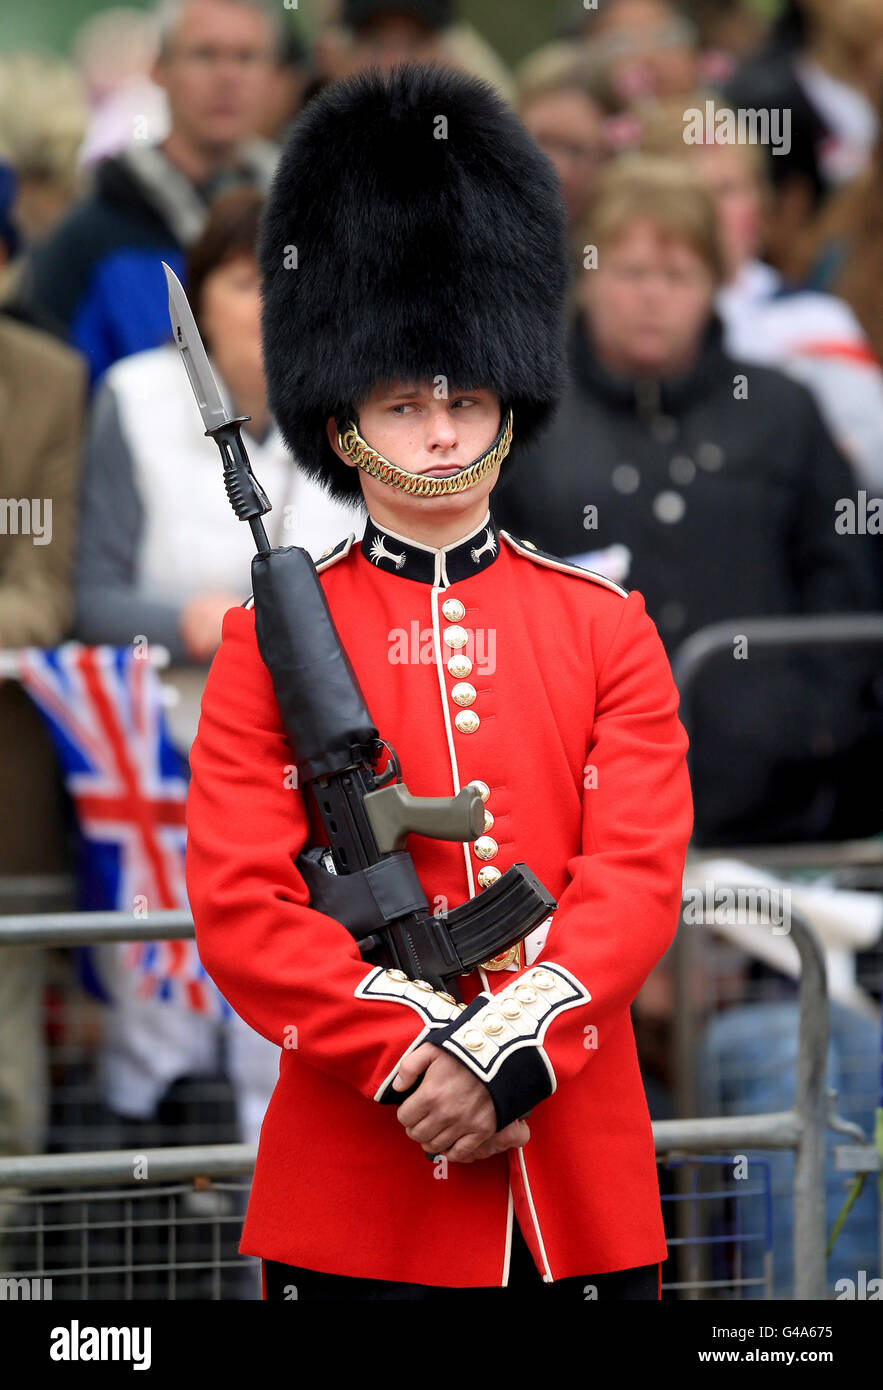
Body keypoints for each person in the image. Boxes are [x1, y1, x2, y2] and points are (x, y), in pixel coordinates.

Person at [185, 64, 693, 1298]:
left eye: (465, 397)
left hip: (572, 1183)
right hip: (366, 1184)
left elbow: (631, 882)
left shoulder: (604, 628)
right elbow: (245, 909)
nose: (444, 432)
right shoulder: (270, 640)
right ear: (342, 418)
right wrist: (421, 1056)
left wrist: (509, 1053)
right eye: (405, 402)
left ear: (506, 396)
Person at [73, 187, 363, 1153]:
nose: (274, 304)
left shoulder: (360, 410)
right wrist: (188, 623)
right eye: (247, 282)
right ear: (197, 301)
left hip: (315, 774)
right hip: (162, 758)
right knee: (161, 1018)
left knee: (285, 1020)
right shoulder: (135, 400)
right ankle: (164, 1240)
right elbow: (91, 596)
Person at [491, 156, 882, 849]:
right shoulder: (522, 418)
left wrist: (817, 720)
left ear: (715, 284)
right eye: (631, 272)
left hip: (772, 803)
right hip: (569, 802)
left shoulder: (780, 410)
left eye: (677, 276)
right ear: (588, 278)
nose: (652, 297)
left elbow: (844, 576)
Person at [17, 0, 283, 386]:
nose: (228, 77)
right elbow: (46, 397)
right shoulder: (89, 238)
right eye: (204, 55)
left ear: (274, 76)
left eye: (246, 57)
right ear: (158, 69)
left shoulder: (312, 222)